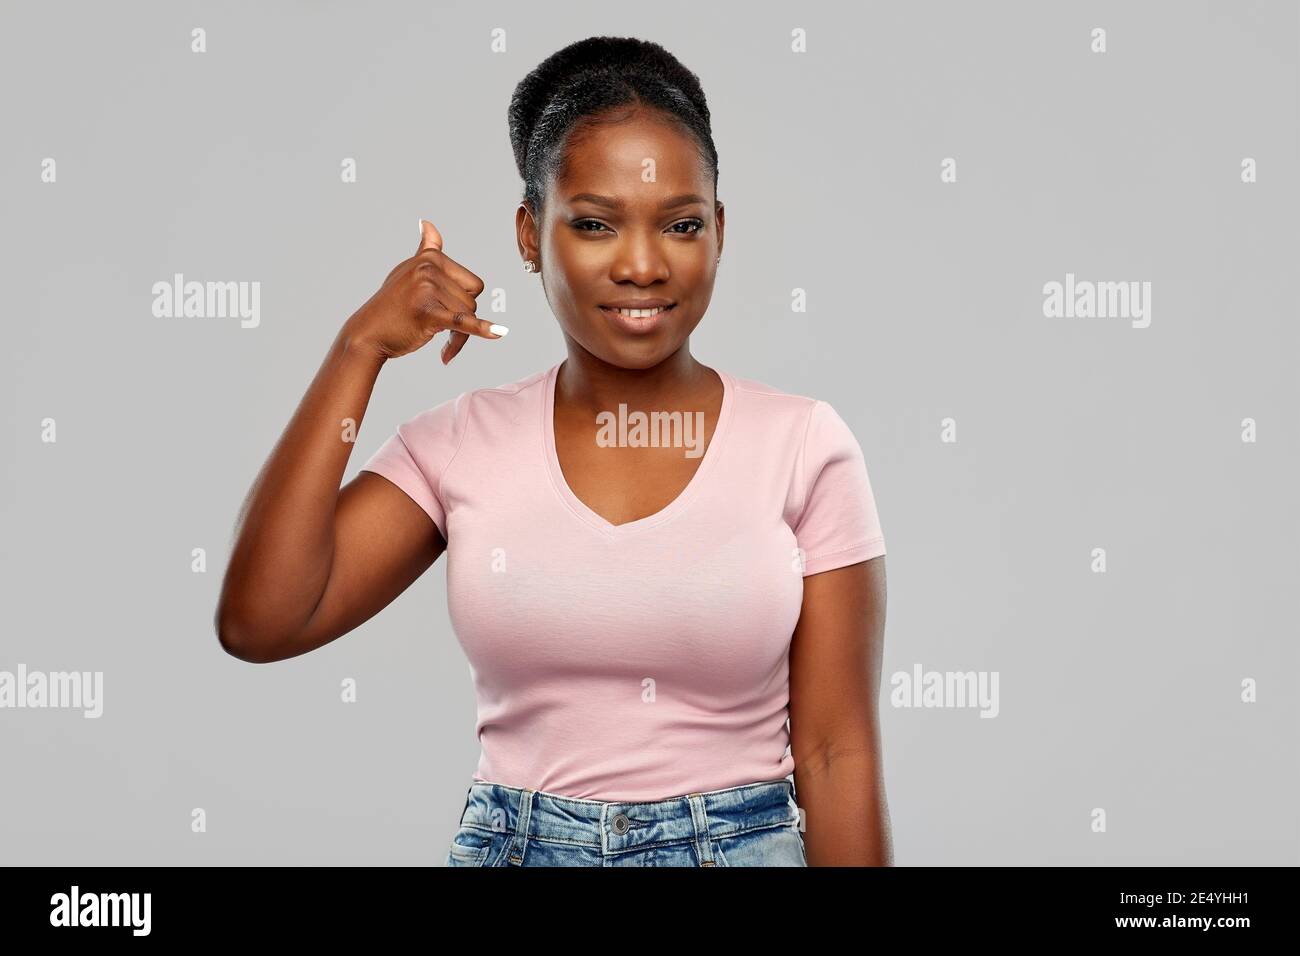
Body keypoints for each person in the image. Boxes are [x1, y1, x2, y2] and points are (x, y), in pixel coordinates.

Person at [216, 35, 891, 867]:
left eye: (680, 224)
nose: (643, 266)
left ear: (718, 230)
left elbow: (835, 753)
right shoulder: (461, 443)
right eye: (596, 225)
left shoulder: (803, 445)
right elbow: (260, 620)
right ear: (530, 236)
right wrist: (359, 348)